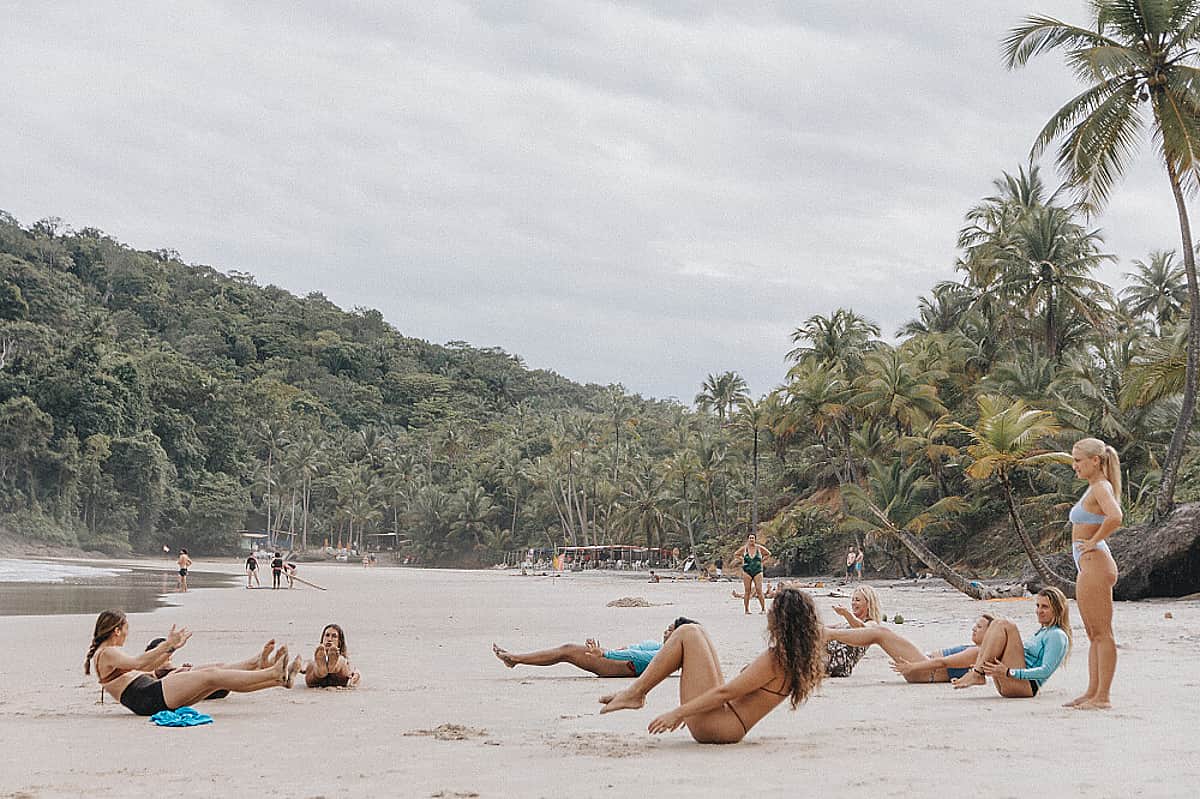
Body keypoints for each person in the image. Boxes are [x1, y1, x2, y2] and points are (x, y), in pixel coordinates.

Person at [597, 589, 824, 744]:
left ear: (782, 620)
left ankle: (636, 693)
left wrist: (678, 713)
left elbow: (727, 692)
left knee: (688, 631)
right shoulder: (794, 659)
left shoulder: (776, 658)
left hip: (718, 726)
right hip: (726, 722)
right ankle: (635, 693)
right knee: (698, 631)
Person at [85, 610, 300, 716]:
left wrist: (172, 647)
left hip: (146, 696)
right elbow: (140, 663)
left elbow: (147, 666)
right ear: (116, 630)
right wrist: (168, 644)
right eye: (126, 629)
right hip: (147, 696)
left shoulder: (108, 653)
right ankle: (272, 673)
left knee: (214, 680)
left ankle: (277, 679)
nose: (127, 634)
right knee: (212, 675)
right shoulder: (108, 652)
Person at [1064, 437, 1122, 710]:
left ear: (1095, 460)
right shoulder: (1093, 488)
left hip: (1095, 561)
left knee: (1102, 633)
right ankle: (1092, 691)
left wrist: (1094, 540)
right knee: (1093, 633)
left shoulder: (1101, 487)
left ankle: (1104, 696)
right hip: (1088, 561)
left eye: (1078, 460)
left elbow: (1115, 516)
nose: (1074, 466)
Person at [952, 587, 1072, 697]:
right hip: (1011, 682)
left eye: (1045, 607)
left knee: (1006, 625)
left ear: (1058, 610)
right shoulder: (1043, 631)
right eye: (1038, 606)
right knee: (995, 623)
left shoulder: (1057, 635)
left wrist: (1009, 672)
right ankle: (978, 671)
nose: (1039, 611)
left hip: (1025, 686)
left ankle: (977, 673)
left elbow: (1045, 671)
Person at [493, 618, 698, 678]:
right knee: (566, 651)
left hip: (606, 665)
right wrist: (608, 650)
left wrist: (605, 653)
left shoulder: (661, 656)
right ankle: (516, 659)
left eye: (670, 630)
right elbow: (634, 647)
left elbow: (635, 654)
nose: (665, 632)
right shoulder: (659, 648)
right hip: (609, 659)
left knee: (566, 650)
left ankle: (516, 659)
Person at [822, 613, 996, 683]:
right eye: (975, 625)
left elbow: (944, 663)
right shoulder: (977, 650)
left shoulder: (978, 652)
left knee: (880, 633)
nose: (974, 628)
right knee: (881, 633)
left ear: (990, 634)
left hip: (923, 672)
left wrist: (912, 666)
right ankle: (830, 634)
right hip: (923, 668)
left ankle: (829, 634)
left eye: (979, 627)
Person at [142, 636, 281, 699]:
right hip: (207, 688)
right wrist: (177, 673)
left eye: (170, 655)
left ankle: (261, 666)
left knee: (218, 666)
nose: (168, 658)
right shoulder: (150, 672)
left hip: (207, 686)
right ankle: (257, 664)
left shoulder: (164, 669)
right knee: (212, 672)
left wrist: (181, 670)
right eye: (165, 654)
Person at [824, 585, 883, 678]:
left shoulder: (872, 624)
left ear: (868, 604)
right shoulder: (845, 624)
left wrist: (846, 614)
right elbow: (823, 629)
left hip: (838, 664)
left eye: (857, 600)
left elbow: (863, 630)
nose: (853, 603)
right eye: (853, 600)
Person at [303, 624, 360, 688]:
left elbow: (354, 669)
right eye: (327, 635)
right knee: (313, 664)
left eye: (334, 636)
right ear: (322, 639)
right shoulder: (316, 657)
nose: (329, 639)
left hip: (338, 676)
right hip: (316, 679)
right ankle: (322, 669)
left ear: (339, 642)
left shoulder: (343, 659)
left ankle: (332, 666)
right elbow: (303, 666)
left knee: (341, 660)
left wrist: (356, 674)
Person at [734, 533, 772, 615]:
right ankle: (747, 610)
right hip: (747, 571)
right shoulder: (744, 548)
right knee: (747, 590)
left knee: (759, 589)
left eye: (753, 538)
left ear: (755, 539)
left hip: (758, 570)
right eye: (750, 538)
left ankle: (763, 609)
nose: (751, 539)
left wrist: (762, 560)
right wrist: (742, 559)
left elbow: (768, 554)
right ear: (748, 539)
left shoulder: (759, 548)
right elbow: (736, 554)